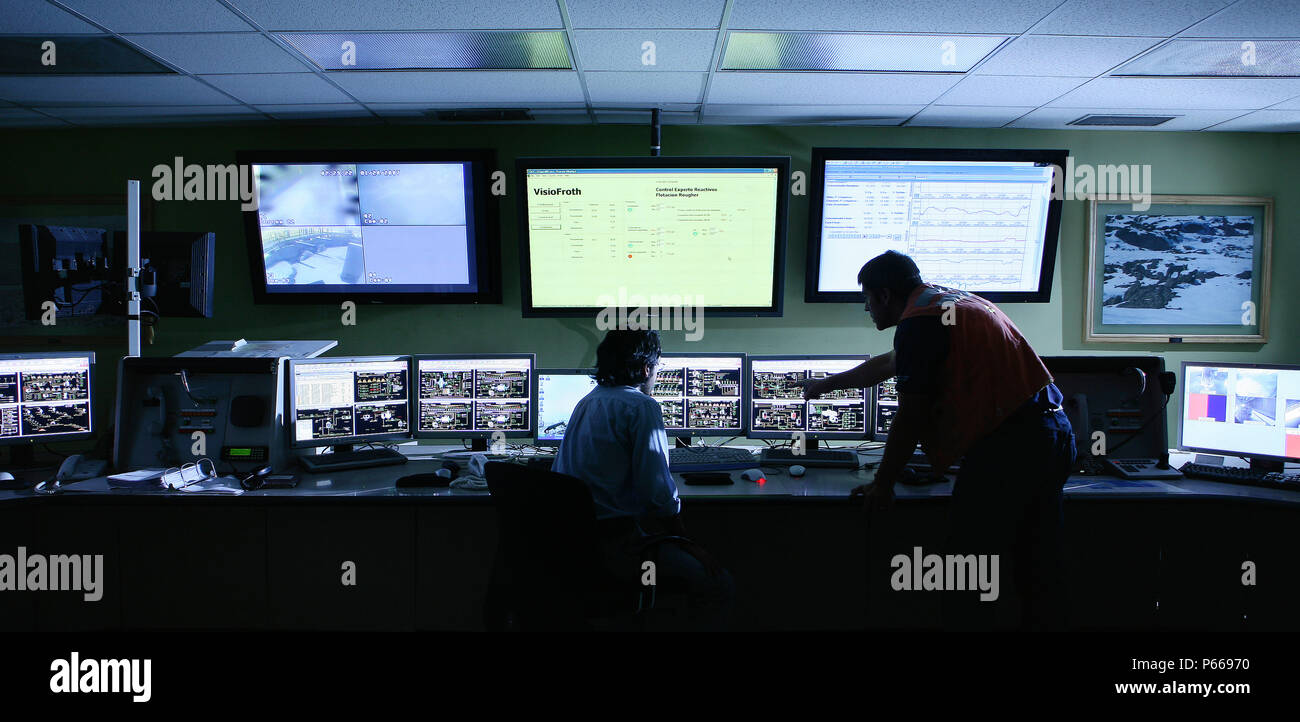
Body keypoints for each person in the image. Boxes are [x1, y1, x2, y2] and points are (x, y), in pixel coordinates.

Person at [802, 251, 1076, 630]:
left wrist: (882, 485)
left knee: (970, 570)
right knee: (1038, 564)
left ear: (883, 295)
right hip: (1050, 434)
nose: (866, 309)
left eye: (866, 299)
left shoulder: (921, 322)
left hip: (1012, 448)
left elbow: (911, 415)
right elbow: (890, 363)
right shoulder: (943, 303)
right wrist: (825, 386)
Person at [554, 328, 734, 630]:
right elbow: (657, 496)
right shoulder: (641, 406)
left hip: (574, 547)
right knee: (719, 583)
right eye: (658, 366)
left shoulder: (588, 401)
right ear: (645, 368)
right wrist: (687, 543)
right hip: (618, 551)